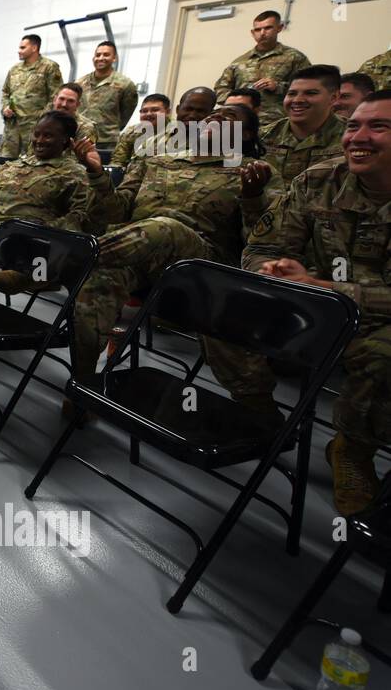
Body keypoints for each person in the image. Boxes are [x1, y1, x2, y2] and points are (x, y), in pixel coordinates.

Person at [70, 105, 276, 413]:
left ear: (244, 135)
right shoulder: (156, 162)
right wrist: (97, 173)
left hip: (203, 263)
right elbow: (116, 212)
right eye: (212, 117)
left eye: (229, 120)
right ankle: (81, 383)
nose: (216, 120)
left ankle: (69, 259)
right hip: (140, 255)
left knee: (165, 227)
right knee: (97, 283)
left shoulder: (253, 171)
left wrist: (253, 198)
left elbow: (262, 241)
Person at [244, 91, 391, 514]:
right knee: (222, 304)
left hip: (376, 322)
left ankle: (353, 450)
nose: (358, 138)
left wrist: (321, 286)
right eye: (352, 127)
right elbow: (260, 247)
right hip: (315, 304)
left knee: (383, 353)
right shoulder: (317, 180)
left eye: (378, 127)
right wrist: (271, 268)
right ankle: (262, 414)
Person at [0, 111, 104, 299]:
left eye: (48, 135)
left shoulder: (74, 173)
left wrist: (49, 231)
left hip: (28, 233)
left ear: (65, 140)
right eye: (36, 134)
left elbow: (81, 216)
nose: (39, 140)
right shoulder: (17, 164)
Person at [213, 9, 311, 124]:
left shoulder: (294, 57)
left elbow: (308, 88)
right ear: (252, 32)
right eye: (258, 29)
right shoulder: (239, 62)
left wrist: (278, 87)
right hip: (241, 122)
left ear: (279, 28)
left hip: (277, 123)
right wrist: (237, 101)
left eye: (268, 28)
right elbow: (220, 90)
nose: (262, 33)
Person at [258, 65, 344, 190]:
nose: (297, 100)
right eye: (292, 93)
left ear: (334, 97)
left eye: (311, 93)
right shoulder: (262, 136)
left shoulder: (353, 138)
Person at [0, 33, 63, 159]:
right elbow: (6, 92)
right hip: (13, 126)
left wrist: (44, 120)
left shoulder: (49, 67)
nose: (19, 51)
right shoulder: (14, 70)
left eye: (23, 48)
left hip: (35, 126)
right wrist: (5, 107)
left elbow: (56, 96)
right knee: (6, 160)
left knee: (32, 160)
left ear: (34, 48)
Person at [77, 40, 138, 151]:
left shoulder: (125, 85)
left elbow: (126, 113)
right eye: (98, 55)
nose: (101, 58)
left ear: (114, 58)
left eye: (106, 55)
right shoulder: (80, 83)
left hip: (107, 142)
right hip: (81, 138)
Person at [111, 94, 171, 168]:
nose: (148, 114)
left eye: (155, 110)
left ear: (168, 112)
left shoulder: (178, 132)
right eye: (144, 111)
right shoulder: (131, 132)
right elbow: (118, 162)